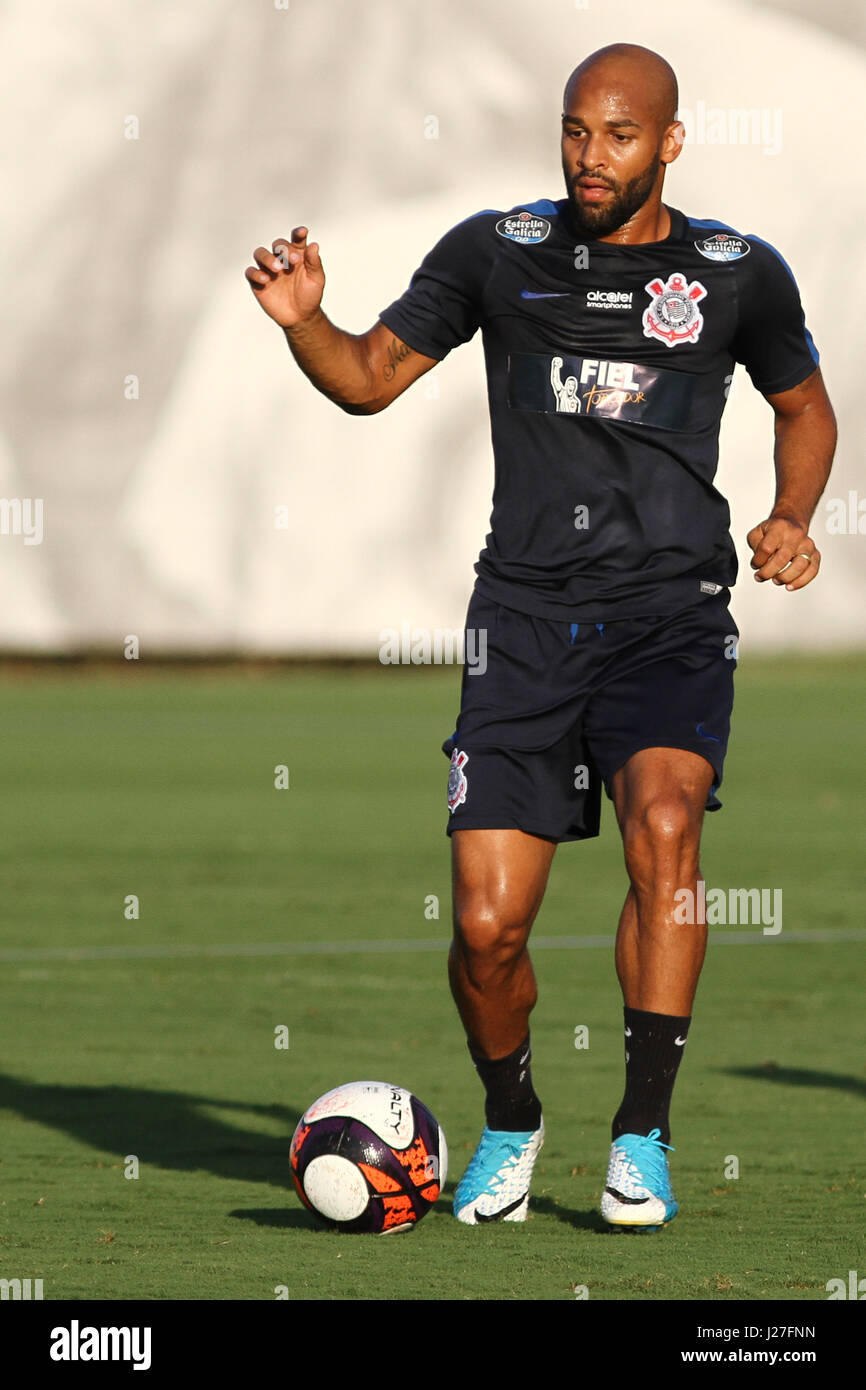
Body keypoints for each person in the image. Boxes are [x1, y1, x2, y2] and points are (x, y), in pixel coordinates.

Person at [245, 42, 836, 1230]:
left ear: (667, 143)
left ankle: (641, 1138)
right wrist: (305, 324)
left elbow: (802, 405)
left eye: (617, 136)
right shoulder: (495, 251)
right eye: (573, 131)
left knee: (664, 829)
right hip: (520, 623)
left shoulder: (734, 274)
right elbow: (366, 378)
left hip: (670, 617)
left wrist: (788, 515)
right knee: (483, 926)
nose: (588, 157)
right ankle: (510, 1120)